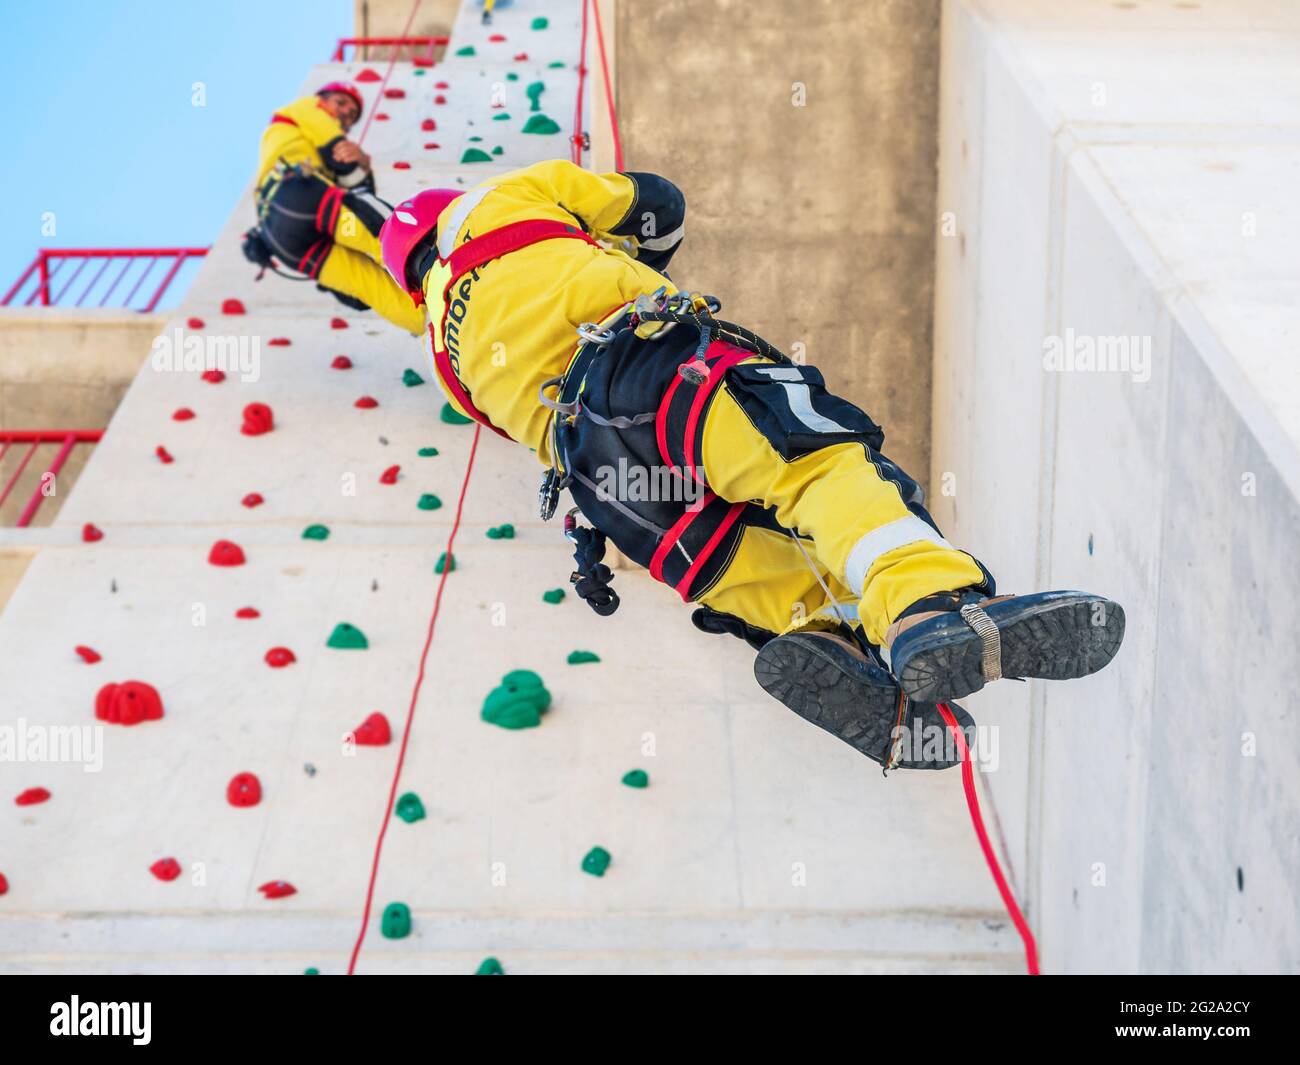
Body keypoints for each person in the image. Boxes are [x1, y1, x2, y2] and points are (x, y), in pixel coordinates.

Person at [376, 159, 1126, 770]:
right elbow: (657, 205)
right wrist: (634, 256)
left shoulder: (443, 354)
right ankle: (927, 608)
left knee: (763, 577)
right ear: (449, 211)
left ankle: (852, 661)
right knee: (816, 470)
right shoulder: (505, 197)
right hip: (653, 372)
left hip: (604, 483)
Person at [243, 81, 423, 334]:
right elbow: (343, 163)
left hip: (282, 237)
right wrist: (360, 163)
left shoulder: (297, 139)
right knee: (387, 235)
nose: (344, 114)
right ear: (322, 100)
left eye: (351, 115)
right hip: (302, 196)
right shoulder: (307, 107)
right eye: (340, 103)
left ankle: (433, 328)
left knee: (369, 285)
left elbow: (354, 185)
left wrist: (360, 165)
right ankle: (446, 277)